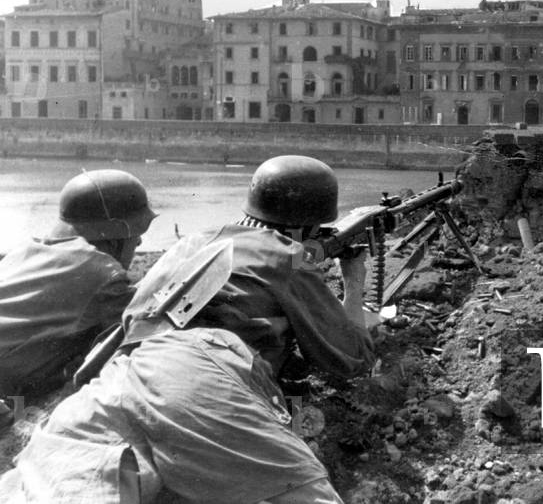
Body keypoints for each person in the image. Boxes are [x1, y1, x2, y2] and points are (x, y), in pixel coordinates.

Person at [0, 155, 374, 504]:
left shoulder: (192, 243)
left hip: (120, 375)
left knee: (47, 486)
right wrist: (353, 282)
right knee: (307, 491)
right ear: (302, 227)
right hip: (201, 372)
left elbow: (131, 319)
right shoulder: (286, 255)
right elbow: (352, 358)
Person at [0, 169, 156, 400]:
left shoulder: (24, 251)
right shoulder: (101, 272)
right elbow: (144, 323)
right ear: (115, 239)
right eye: (136, 234)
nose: (140, 240)